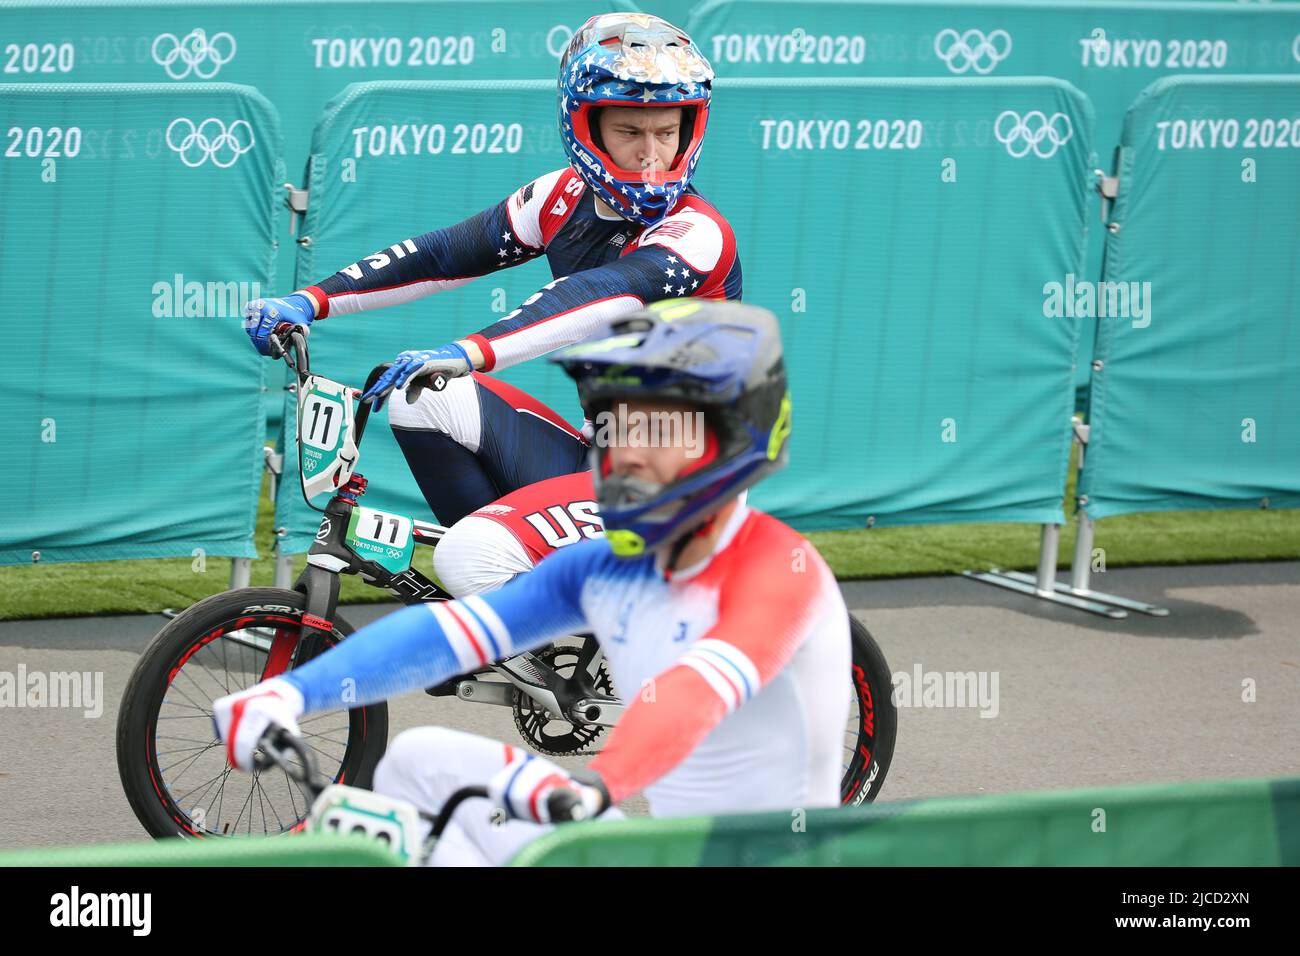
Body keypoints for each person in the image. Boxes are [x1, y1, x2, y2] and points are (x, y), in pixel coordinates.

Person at [213, 300, 850, 867]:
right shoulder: (604, 565)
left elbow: (691, 693)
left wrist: (592, 788)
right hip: (660, 850)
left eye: (657, 429)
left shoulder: (779, 570)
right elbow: (452, 633)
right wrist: (291, 696)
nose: (624, 452)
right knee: (417, 763)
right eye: (617, 424)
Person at [241, 12, 741, 536]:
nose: (651, 154)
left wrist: (466, 351)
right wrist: (311, 300)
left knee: (473, 553)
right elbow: (442, 255)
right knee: (424, 396)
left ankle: (513, 599)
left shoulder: (699, 232)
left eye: (667, 132)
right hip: (602, 464)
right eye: (630, 131)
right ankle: (525, 597)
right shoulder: (559, 197)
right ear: (585, 128)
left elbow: (594, 294)